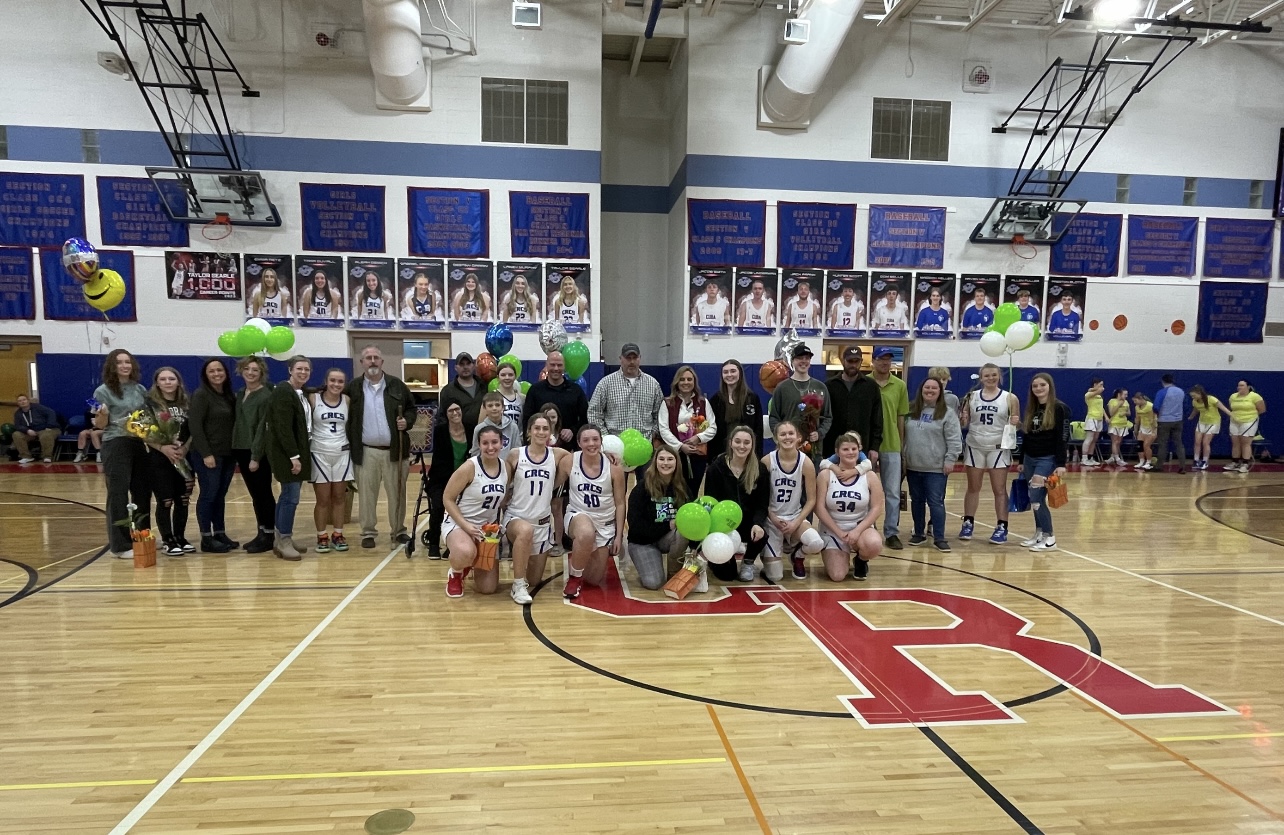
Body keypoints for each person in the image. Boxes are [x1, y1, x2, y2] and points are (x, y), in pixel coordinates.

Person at [345, 345, 418, 549]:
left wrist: (407, 422)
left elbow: (412, 409)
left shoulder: (397, 385)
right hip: (366, 450)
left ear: (382, 362)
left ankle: (398, 530)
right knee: (367, 495)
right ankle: (368, 532)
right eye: (368, 358)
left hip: (395, 451)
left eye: (376, 357)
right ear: (362, 363)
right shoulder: (354, 388)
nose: (373, 361)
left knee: (397, 493)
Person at [503, 413, 570, 603]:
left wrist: (607, 455)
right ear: (529, 431)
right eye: (537, 428)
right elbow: (503, 483)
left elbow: (580, 460)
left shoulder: (558, 455)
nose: (541, 432)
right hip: (517, 518)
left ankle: (523, 578)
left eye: (545, 428)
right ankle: (517, 585)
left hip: (542, 523)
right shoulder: (516, 454)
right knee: (525, 531)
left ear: (551, 433)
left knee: (534, 580)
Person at [92, 350, 151, 559]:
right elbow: (100, 425)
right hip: (116, 443)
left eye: (128, 362)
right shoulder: (103, 391)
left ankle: (143, 537)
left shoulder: (140, 389)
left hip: (138, 442)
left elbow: (145, 418)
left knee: (142, 492)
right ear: (112, 366)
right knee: (118, 494)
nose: (124, 366)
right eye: (119, 362)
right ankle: (120, 545)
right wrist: (103, 415)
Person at [442, 425, 510, 599]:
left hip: (486, 529)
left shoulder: (505, 468)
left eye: (494, 442)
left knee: (487, 588)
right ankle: (456, 573)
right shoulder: (469, 467)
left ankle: (469, 563)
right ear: (479, 445)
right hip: (459, 523)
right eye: (485, 443)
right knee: (465, 552)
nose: (490, 447)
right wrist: (466, 526)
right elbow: (447, 498)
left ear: (502, 443)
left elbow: (501, 501)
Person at [558, 424, 625, 600]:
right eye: (586, 440)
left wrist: (618, 536)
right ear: (579, 443)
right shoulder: (570, 461)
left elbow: (620, 503)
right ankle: (574, 579)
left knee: (593, 580)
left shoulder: (614, 468)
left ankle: (581, 556)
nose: (591, 444)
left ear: (601, 442)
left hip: (604, 523)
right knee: (586, 532)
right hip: (578, 516)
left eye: (595, 439)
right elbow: (554, 481)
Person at [958, 363, 1020, 544]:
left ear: (999, 376)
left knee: (999, 489)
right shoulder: (971, 396)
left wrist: (1016, 422)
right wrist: (962, 417)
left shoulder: (1010, 398)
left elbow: (1015, 425)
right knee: (973, 487)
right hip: (975, 445)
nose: (990, 378)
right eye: (987, 375)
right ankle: (968, 522)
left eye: (994, 375)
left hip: (998, 447)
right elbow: (963, 424)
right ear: (981, 377)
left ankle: (1002, 526)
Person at [814, 431, 885, 581]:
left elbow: (877, 508)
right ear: (837, 452)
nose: (850, 452)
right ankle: (837, 551)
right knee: (837, 576)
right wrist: (839, 532)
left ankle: (861, 560)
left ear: (859, 450)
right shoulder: (826, 474)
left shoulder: (870, 476)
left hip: (859, 527)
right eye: (845, 449)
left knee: (874, 544)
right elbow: (819, 508)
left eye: (853, 449)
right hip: (833, 529)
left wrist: (857, 531)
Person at [703, 425, 770, 583]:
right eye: (738, 441)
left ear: (752, 445)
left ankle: (748, 561)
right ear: (731, 443)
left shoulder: (760, 470)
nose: (742, 446)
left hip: (747, 523)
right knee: (727, 575)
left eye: (746, 442)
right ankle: (716, 560)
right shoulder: (716, 469)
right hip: (723, 526)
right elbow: (710, 503)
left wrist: (758, 523)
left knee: (762, 532)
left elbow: (762, 504)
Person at [904, 379, 962, 553]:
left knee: (936, 503)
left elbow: (954, 439)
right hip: (913, 466)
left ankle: (939, 537)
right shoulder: (911, 410)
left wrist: (950, 460)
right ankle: (919, 533)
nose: (930, 390)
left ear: (940, 391)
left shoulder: (947, 413)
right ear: (921, 390)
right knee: (917, 501)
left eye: (934, 388)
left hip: (936, 468)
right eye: (927, 387)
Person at [264, 355, 313, 561]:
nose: (303, 372)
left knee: (288, 497)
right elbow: (283, 427)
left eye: (307, 370)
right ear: (290, 370)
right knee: (290, 498)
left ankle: (282, 538)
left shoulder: (298, 392)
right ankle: (283, 540)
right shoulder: (283, 391)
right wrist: (294, 456)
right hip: (287, 454)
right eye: (299, 368)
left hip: (296, 452)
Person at [762, 421, 824, 581]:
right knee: (775, 576)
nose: (787, 437)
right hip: (771, 519)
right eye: (783, 434)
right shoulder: (767, 462)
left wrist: (796, 522)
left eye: (791, 433)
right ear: (776, 438)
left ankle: (798, 555)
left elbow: (811, 500)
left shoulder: (806, 463)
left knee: (816, 543)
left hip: (794, 516)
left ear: (798, 437)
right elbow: (758, 498)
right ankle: (769, 552)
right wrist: (773, 518)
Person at [188, 358, 239, 553]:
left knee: (220, 495)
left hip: (227, 455)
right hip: (208, 455)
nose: (216, 374)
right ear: (205, 375)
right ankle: (206, 538)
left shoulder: (228, 396)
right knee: (209, 495)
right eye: (212, 371)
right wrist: (206, 453)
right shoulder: (201, 395)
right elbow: (195, 426)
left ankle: (219, 533)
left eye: (219, 370)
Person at [145, 367, 195, 557]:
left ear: (178, 381)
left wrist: (184, 448)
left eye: (171, 378)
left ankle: (180, 537)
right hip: (159, 458)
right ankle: (168, 539)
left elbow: (192, 429)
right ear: (157, 382)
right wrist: (163, 448)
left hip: (183, 457)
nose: (167, 382)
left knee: (183, 499)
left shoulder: (186, 403)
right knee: (165, 500)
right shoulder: (150, 404)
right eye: (163, 379)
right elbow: (142, 431)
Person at [626, 447, 690, 590]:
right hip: (642, 542)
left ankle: (674, 575)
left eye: (670, 459)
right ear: (655, 462)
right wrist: (668, 525)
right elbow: (635, 527)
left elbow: (691, 517)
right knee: (654, 583)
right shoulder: (642, 488)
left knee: (682, 532)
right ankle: (649, 562)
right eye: (661, 459)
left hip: (666, 538)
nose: (665, 463)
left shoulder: (682, 487)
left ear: (676, 462)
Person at [1019, 372, 1071, 552]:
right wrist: (1021, 459)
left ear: (1050, 386)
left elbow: (1063, 437)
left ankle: (1050, 538)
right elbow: (1026, 435)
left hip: (1046, 459)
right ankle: (1039, 533)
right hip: (1029, 459)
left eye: (1042, 385)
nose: (1038, 389)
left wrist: (1061, 463)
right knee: (1035, 498)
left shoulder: (1060, 408)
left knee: (1036, 497)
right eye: (1035, 386)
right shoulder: (1032, 408)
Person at [232, 356, 276, 553]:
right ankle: (260, 532)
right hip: (241, 448)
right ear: (241, 370)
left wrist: (256, 456)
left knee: (264, 494)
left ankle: (269, 534)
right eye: (247, 369)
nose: (250, 373)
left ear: (262, 374)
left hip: (256, 451)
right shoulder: (241, 393)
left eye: (255, 370)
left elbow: (262, 428)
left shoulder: (265, 395)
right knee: (255, 496)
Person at [870, 346, 910, 549]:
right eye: (881, 359)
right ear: (873, 361)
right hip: (869, 446)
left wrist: (902, 447)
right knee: (866, 491)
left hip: (892, 445)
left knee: (893, 492)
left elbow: (901, 417)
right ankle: (869, 528)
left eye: (888, 359)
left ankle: (892, 532)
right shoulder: (865, 383)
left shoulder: (900, 385)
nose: (885, 363)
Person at [767, 343, 832, 465]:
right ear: (792, 361)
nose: (803, 361)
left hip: (813, 450)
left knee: (812, 483)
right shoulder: (782, 388)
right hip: (788, 448)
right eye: (799, 358)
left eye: (807, 358)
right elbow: (774, 418)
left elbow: (828, 417)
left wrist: (819, 433)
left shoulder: (820, 387)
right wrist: (782, 436)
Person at [309, 368, 352, 553]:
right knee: (323, 499)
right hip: (319, 453)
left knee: (340, 497)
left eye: (340, 381)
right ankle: (321, 535)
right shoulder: (313, 399)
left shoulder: (347, 400)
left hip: (342, 453)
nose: (336, 384)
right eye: (333, 380)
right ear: (326, 381)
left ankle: (338, 533)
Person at [658, 365, 717, 497]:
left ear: (694, 382)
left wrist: (698, 438)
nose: (686, 382)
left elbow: (712, 427)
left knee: (693, 492)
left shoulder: (703, 402)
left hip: (698, 457)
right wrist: (680, 446)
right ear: (676, 382)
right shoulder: (667, 403)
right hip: (675, 456)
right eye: (682, 379)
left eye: (689, 379)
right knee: (674, 492)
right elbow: (664, 429)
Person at [587, 343, 663, 442]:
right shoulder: (606, 383)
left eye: (635, 358)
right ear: (621, 359)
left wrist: (653, 434)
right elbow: (594, 413)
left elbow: (660, 414)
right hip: (615, 445)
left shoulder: (653, 384)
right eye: (628, 358)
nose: (631, 362)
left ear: (640, 358)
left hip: (644, 444)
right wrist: (607, 437)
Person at [425, 402, 470, 558]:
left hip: (465, 481)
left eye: (458, 409)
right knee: (439, 506)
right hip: (441, 479)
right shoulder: (439, 432)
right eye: (451, 410)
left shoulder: (470, 431)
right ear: (446, 414)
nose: (455, 413)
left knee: (465, 507)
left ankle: (454, 545)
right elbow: (437, 460)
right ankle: (433, 544)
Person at [521, 350, 588, 451]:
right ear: (546, 365)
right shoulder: (535, 390)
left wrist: (572, 431)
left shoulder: (576, 390)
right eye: (552, 365)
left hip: (569, 449)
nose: (556, 368)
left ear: (564, 367)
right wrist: (528, 447)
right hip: (540, 449)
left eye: (559, 365)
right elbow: (527, 420)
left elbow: (585, 418)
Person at [824, 346, 883, 459]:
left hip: (862, 450)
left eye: (857, 361)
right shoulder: (829, 386)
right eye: (850, 361)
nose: (853, 365)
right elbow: (824, 417)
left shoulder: (871, 386)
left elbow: (877, 420)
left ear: (861, 362)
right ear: (843, 361)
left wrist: (874, 447)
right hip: (832, 449)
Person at [708, 359, 763, 461]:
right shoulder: (716, 400)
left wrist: (757, 456)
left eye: (733, 371)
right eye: (725, 372)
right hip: (723, 452)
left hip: (746, 451)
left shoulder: (752, 398)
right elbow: (713, 431)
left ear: (740, 373)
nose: (729, 375)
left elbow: (758, 429)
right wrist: (712, 458)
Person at [437, 352, 485, 434]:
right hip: (460, 436)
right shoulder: (448, 390)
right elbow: (442, 418)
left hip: (484, 434)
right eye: (461, 364)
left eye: (468, 364)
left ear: (473, 366)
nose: (465, 367)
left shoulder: (483, 386)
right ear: (455, 367)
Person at [1226, 380, 1266, 473]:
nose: (1239, 387)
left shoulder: (1255, 396)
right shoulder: (1233, 396)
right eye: (1238, 385)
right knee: (1235, 442)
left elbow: (1262, 409)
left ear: (1248, 387)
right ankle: (1235, 462)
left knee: (1245, 442)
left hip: (1249, 420)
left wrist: (1250, 416)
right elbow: (1231, 408)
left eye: (1242, 385)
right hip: (1235, 421)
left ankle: (1245, 464)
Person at [1188, 385, 1228, 472]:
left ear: (1199, 393)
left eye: (1194, 395)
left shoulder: (1211, 399)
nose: (1193, 397)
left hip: (1213, 422)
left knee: (1205, 442)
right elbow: (1196, 410)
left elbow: (1223, 408)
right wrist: (1191, 417)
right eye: (1192, 396)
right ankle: (1196, 460)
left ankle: (1205, 461)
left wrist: (1232, 415)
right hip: (1202, 422)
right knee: (1197, 441)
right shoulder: (1195, 401)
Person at [1153, 374, 1187, 473]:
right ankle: (1182, 467)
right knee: (1179, 444)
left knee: (1162, 444)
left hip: (1164, 420)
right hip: (1178, 420)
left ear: (1163, 381)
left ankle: (1159, 466)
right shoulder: (1181, 391)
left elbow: (1156, 407)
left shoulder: (1162, 392)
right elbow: (1185, 404)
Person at [12, 394, 60, 464]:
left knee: (45, 435)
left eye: (24, 400)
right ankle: (26, 457)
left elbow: (51, 413)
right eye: (20, 401)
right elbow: (18, 426)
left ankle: (47, 456)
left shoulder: (38, 407)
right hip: (32, 431)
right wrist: (27, 430)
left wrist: (50, 425)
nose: (22, 402)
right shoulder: (18, 413)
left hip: (47, 429)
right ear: (18, 403)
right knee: (16, 434)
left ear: (28, 401)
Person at [1081, 378, 1106, 467]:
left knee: (1095, 439)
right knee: (1089, 438)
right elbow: (1095, 391)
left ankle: (1090, 457)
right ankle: (1084, 459)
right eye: (1100, 384)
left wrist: (1105, 417)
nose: (1102, 387)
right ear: (1095, 384)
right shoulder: (1088, 394)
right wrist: (1096, 390)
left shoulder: (1099, 396)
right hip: (1092, 418)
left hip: (1099, 419)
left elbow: (1101, 407)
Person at [1106, 388, 1132, 467]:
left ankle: (1112, 457)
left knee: (1119, 442)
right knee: (1115, 441)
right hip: (1114, 423)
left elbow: (1129, 413)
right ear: (1119, 394)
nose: (1126, 396)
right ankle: (1117, 459)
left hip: (1123, 424)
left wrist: (1125, 412)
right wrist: (1119, 405)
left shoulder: (1126, 402)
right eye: (1125, 394)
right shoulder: (1112, 401)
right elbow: (1111, 413)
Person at [495, 361, 524, 428]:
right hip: (499, 437)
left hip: (518, 437)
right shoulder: (491, 397)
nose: (507, 378)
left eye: (510, 375)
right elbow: (482, 425)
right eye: (503, 375)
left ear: (515, 377)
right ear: (498, 377)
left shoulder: (522, 398)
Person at [1132, 392, 1157, 470]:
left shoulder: (1150, 406)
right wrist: (1136, 429)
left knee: (1146, 445)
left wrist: (1154, 431)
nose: (1134, 402)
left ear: (1141, 399)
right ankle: (1141, 461)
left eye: (1135, 401)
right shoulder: (1137, 407)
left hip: (1151, 428)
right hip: (1142, 428)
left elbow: (1154, 418)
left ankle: (1148, 462)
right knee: (1139, 445)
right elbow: (1137, 418)